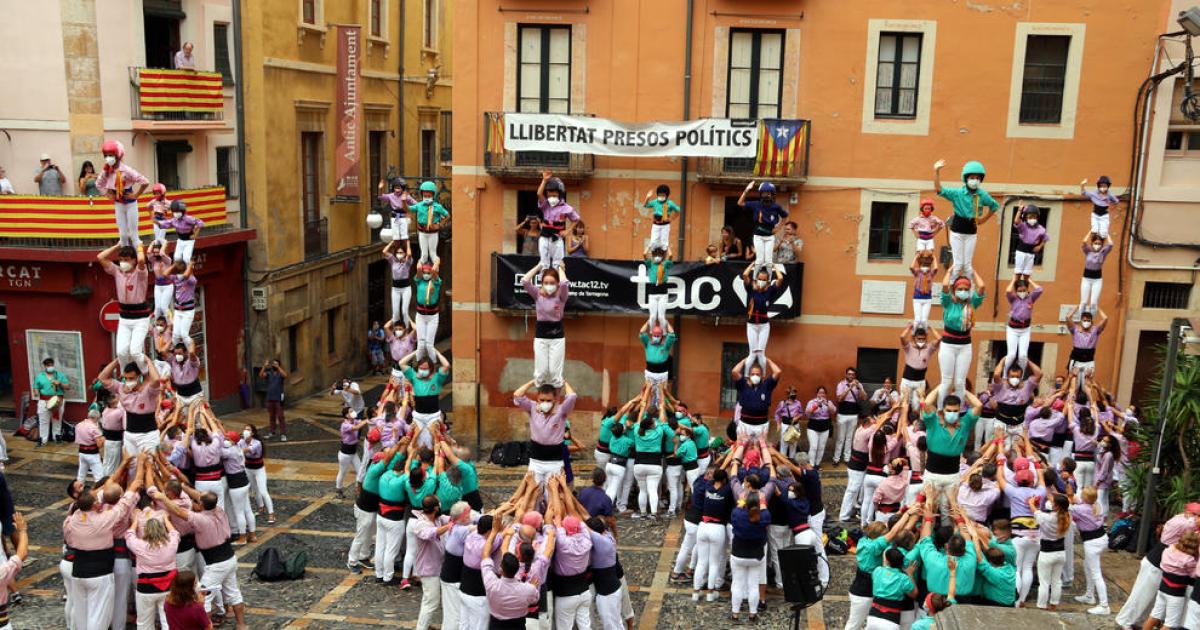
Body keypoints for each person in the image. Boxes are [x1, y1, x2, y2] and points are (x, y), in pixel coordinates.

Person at [153, 485, 249, 630]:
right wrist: (183, 486)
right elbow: (198, 495)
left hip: (216, 564)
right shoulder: (219, 510)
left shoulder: (200, 519)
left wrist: (163, 498)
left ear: (201, 504)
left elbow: (179, 511)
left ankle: (205, 626)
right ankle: (241, 625)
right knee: (233, 592)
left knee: (202, 596)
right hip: (230, 558)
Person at [64, 473, 140, 630]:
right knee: (98, 616)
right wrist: (133, 486)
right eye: (97, 501)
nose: (100, 502)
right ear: (93, 506)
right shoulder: (103, 520)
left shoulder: (72, 520)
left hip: (78, 572)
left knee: (81, 614)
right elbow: (123, 505)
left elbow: (69, 540)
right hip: (100, 574)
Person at [934, 159, 999, 277]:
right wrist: (937, 171)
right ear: (966, 178)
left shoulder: (982, 195)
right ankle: (952, 287)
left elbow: (994, 206)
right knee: (958, 264)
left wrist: (984, 219)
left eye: (978, 178)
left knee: (968, 265)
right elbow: (939, 190)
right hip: (957, 230)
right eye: (972, 177)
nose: (975, 180)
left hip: (971, 231)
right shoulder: (957, 193)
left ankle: (968, 289)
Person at [920, 388, 983, 501]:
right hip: (932, 475)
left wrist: (962, 388)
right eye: (948, 410)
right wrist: (944, 385)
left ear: (959, 411)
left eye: (955, 411)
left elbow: (978, 405)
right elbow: (927, 403)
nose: (952, 413)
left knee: (949, 512)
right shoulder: (933, 422)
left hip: (953, 476)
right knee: (930, 508)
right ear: (943, 410)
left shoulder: (965, 423)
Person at [97, 242, 151, 370]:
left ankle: (146, 373)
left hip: (140, 318)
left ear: (133, 260)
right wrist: (117, 245)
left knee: (135, 352)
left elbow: (142, 260)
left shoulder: (140, 274)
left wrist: (139, 247)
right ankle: (126, 376)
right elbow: (100, 257)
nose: (123, 262)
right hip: (124, 318)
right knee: (121, 352)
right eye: (120, 260)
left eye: (126, 260)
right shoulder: (117, 271)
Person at [938, 268, 986, 406]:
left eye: (966, 289)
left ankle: (957, 411)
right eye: (960, 288)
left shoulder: (972, 304)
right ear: (955, 290)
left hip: (965, 345)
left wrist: (972, 272)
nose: (963, 291)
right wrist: (950, 271)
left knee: (960, 382)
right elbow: (945, 286)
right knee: (947, 382)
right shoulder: (948, 303)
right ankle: (941, 410)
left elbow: (981, 286)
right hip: (948, 344)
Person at [513, 379, 576, 484]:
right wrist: (532, 382)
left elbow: (572, 397)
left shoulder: (561, 411)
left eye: (548, 400)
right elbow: (517, 395)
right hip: (535, 461)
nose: (545, 403)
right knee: (534, 493)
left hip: (555, 462)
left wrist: (564, 382)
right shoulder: (532, 407)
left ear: (555, 399)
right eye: (542, 400)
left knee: (552, 495)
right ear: (537, 398)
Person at [125, 511, 180, 630]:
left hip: (146, 588)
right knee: (168, 621)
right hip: (169, 587)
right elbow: (174, 532)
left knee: (144, 623)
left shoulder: (139, 545)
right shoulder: (171, 543)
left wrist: (135, 522)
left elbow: (129, 535)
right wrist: (166, 519)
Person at [522, 263, 569, 388]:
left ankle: (556, 403)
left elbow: (564, 284)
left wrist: (560, 268)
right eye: (546, 282)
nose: (549, 286)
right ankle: (540, 403)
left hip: (557, 337)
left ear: (557, 283)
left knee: (555, 373)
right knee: (540, 373)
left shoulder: (561, 296)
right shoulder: (537, 294)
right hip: (541, 336)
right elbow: (525, 281)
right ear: (542, 283)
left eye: (552, 283)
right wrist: (538, 267)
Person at [100, 358, 162, 453]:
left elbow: (156, 380)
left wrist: (148, 361)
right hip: (130, 435)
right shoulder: (121, 388)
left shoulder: (148, 390)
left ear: (139, 377)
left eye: (131, 378)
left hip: (148, 435)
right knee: (131, 465)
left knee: (148, 464)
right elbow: (102, 378)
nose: (128, 381)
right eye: (126, 378)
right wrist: (118, 359)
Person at [97, 140, 150, 246]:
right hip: (118, 204)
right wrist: (107, 194)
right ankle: (125, 259)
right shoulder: (106, 171)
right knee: (123, 235)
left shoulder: (126, 170)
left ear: (118, 155)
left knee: (134, 235)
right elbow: (98, 184)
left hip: (130, 204)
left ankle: (139, 260)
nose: (108, 158)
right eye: (106, 155)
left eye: (111, 155)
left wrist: (136, 195)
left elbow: (145, 182)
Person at [692, 467, 734, 602]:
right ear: (724, 479)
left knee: (701, 562)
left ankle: (695, 592)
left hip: (703, 526)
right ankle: (710, 592)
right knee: (714, 563)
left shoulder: (708, 486)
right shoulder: (727, 490)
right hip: (717, 528)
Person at [729, 490, 770, 623]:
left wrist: (741, 501)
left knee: (737, 584)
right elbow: (765, 512)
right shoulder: (764, 516)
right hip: (756, 556)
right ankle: (752, 614)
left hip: (738, 554)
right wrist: (762, 502)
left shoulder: (738, 514)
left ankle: (735, 614)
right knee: (753, 585)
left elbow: (736, 511)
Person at [1069, 486, 1111, 615]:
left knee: (1096, 574)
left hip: (1092, 542)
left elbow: (1067, 507)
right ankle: (1089, 595)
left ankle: (1104, 606)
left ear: (1084, 497)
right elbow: (1077, 501)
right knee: (1087, 565)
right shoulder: (1096, 504)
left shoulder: (1079, 509)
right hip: (1102, 538)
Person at [411, 495, 447, 630]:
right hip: (428, 569)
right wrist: (450, 526)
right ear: (436, 508)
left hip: (436, 566)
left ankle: (424, 625)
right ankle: (421, 627)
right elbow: (431, 533)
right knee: (431, 602)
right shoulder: (421, 524)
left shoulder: (437, 519)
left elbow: (451, 519)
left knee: (429, 600)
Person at [741, 262, 785, 371]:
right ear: (756, 279)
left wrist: (774, 266)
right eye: (760, 279)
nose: (762, 281)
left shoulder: (770, 291)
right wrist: (754, 264)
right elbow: (745, 275)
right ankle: (747, 376)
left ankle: (763, 376)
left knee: (761, 353)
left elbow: (780, 278)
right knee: (752, 352)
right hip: (751, 325)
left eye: (764, 279)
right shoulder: (751, 289)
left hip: (764, 325)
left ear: (768, 281)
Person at [738, 180, 788, 270]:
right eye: (764, 193)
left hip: (770, 235)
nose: (766, 195)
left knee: (769, 260)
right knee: (759, 259)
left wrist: (779, 227)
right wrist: (747, 190)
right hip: (758, 236)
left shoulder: (776, 207)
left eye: (769, 193)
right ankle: (756, 277)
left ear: (772, 194)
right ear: (761, 194)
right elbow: (740, 203)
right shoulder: (756, 204)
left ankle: (768, 279)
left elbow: (785, 216)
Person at [536, 172, 580, 273]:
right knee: (544, 263)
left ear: (560, 194)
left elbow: (576, 219)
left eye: (554, 195)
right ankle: (544, 283)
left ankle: (556, 283)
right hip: (544, 236)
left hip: (557, 238)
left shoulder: (566, 208)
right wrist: (544, 180)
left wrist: (567, 231)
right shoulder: (545, 205)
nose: (552, 197)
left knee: (557, 263)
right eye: (549, 195)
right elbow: (539, 193)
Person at [632, 405, 668, 520]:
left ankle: (643, 514)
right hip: (654, 464)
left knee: (642, 490)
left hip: (639, 464)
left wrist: (643, 407)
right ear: (651, 426)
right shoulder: (658, 432)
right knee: (653, 490)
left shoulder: (637, 430)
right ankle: (653, 513)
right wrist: (661, 407)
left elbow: (639, 420)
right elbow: (661, 421)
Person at [731, 356, 782, 438]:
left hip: (761, 426)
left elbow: (778, 372)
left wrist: (768, 360)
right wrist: (745, 360)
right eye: (753, 374)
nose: (755, 376)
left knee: (760, 449)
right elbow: (734, 371)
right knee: (742, 448)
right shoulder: (743, 385)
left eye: (757, 374)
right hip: (745, 426)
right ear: (749, 375)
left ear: (762, 376)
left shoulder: (767, 385)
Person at [1004, 275, 1043, 371]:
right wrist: (1014, 280)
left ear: (1027, 290)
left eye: (1024, 290)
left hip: (1025, 329)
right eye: (1020, 291)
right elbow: (1008, 291)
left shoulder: (1031, 298)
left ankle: (1020, 376)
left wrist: (1028, 280)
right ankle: (1005, 375)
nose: (1022, 292)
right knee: (1012, 354)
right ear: (1016, 291)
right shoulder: (1013, 299)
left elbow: (1039, 289)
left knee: (1023, 355)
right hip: (1012, 329)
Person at [832, 367, 867, 465]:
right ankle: (836, 459)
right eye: (849, 374)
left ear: (855, 375)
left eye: (852, 374)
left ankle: (847, 458)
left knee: (849, 438)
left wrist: (859, 388)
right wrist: (849, 387)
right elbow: (839, 399)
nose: (851, 376)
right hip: (842, 415)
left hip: (853, 414)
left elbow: (864, 398)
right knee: (840, 438)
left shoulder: (858, 384)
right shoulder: (841, 384)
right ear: (846, 374)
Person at [408, 181, 449, 264]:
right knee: (424, 255)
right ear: (422, 195)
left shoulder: (437, 206)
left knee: (433, 254)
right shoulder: (419, 205)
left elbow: (448, 216)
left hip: (433, 233)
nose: (426, 197)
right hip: (422, 232)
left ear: (433, 196)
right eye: (425, 196)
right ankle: (420, 273)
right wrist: (402, 200)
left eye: (429, 196)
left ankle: (435, 271)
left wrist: (440, 225)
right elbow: (408, 209)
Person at [899, 324, 939, 408]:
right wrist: (909, 328)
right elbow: (902, 337)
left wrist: (930, 327)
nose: (921, 340)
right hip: (907, 380)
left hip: (920, 382)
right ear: (914, 338)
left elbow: (939, 338)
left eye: (923, 339)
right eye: (919, 339)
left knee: (917, 406)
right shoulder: (908, 347)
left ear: (926, 339)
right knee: (904, 404)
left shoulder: (929, 348)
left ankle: (916, 420)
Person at [33, 356, 70, 446]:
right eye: (48, 365)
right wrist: (36, 393)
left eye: (51, 364)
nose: (50, 366)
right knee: (43, 421)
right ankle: (42, 440)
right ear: (44, 366)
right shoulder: (39, 376)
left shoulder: (60, 375)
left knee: (57, 420)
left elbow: (68, 387)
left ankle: (57, 437)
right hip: (44, 400)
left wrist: (60, 383)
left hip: (58, 400)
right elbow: (35, 388)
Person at [161, 260, 197, 349]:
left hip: (188, 311)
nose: (179, 275)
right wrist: (174, 266)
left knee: (184, 334)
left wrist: (190, 265)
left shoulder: (191, 280)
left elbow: (185, 275)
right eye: (178, 272)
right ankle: (176, 352)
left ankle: (191, 349)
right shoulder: (175, 278)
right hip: (178, 310)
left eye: (180, 272)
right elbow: (165, 274)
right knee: (175, 335)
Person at [639, 321, 676, 404]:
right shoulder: (647, 343)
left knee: (661, 397)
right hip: (649, 373)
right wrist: (648, 322)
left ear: (661, 336)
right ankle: (649, 412)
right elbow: (641, 332)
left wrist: (666, 323)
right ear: (652, 336)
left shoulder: (665, 346)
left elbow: (672, 334)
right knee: (649, 395)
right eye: (654, 335)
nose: (656, 337)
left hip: (662, 374)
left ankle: (660, 412)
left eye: (658, 335)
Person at [413, 259, 443, 358]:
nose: (426, 274)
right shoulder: (419, 281)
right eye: (424, 272)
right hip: (420, 315)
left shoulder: (436, 282)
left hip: (432, 316)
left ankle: (433, 365)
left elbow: (434, 271)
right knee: (421, 344)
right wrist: (421, 259)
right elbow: (418, 268)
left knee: (429, 344)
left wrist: (437, 262)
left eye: (428, 272)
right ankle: (418, 364)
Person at [1064, 306, 1107, 376]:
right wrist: (1077, 307)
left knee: (1088, 379)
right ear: (1081, 321)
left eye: (1088, 320)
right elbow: (1067, 317)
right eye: (1084, 320)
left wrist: (1097, 307)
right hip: (1076, 356)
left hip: (1089, 357)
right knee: (1071, 377)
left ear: (1091, 321)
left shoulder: (1095, 330)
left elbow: (1105, 318)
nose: (1086, 322)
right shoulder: (1075, 329)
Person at [378, 177, 416, 250]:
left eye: (399, 188)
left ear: (403, 188)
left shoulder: (406, 196)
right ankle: (397, 251)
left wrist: (411, 210)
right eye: (396, 188)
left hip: (403, 217)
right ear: (393, 188)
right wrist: (380, 189)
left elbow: (416, 204)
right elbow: (381, 197)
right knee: (396, 237)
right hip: (395, 217)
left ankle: (407, 250)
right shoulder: (391, 196)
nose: (397, 190)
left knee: (404, 236)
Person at [1012, 205, 1049, 279]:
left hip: (1031, 253)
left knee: (1027, 275)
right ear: (1025, 217)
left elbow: (1046, 238)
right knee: (1018, 274)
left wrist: (1040, 246)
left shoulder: (1040, 229)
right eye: (1030, 217)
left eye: (1034, 217)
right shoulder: (1023, 226)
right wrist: (1020, 210)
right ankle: (1016, 289)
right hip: (1021, 252)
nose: (1033, 219)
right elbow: (1016, 221)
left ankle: (1026, 289)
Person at [1079, 232, 1113, 313]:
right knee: (1084, 302)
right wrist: (1090, 232)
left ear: (1101, 245)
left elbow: (1111, 244)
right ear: (1092, 243)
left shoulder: (1103, 252)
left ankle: (1091, 319)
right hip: (1086, 278)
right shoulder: (1088, 251)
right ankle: (1081, 318)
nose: (1097, 245)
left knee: (1093, 303)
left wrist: (1107, 234)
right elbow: (1084, 242)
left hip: (1097, 279)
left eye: (1099, 243)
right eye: (1096, 243)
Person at [383, 239, 414, 326]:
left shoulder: (408, 262)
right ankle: (396, 329)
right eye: (398, 252)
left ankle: (406, 329)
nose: (399, 254)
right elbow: (384, 251)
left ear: (404, 254)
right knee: (395, 312)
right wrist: (392, 243)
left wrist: (407, 243)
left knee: (404, 311)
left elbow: (409, 254)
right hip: (395, 289)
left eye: (401, 252)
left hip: (406, 288)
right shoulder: (393, 260)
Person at [804, 386, 836, 465]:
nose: (821, 394)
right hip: (813, 427)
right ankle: (811, 464)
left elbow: (833, 412)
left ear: (825, 394)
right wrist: (816, 405)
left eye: (823, 393)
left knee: (821, 448)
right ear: (817, 394)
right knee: (814, 446)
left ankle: (817, 464)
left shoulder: (829, 402)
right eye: (820, 393)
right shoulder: (812, 402)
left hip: (825, 427)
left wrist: (827, 404)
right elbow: (807, 413)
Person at [643, 245, 673, 329]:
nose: (657, 257)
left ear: (662, 256)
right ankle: (652, 332)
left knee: (661, 317)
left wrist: (667, 247)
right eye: (655, 255)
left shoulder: (665, 264)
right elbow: (644, 254)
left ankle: (663, 332)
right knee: (652, 316)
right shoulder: (650, 265)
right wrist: (649, 247)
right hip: (652, 293)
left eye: (659, 255)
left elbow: (670, 256)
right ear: (652, 256)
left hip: (663, 293)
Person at [259, 359, 288, 441]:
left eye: (276, 364)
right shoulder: (269, 373)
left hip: (278, 398)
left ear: (279, 365)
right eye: (273, 364)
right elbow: (261, 375)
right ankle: (272, 432)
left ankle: (283, 434)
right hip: (270, 398)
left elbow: (285, 375)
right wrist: (264, 366)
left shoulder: (280, 373)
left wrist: (278, 367)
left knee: (281, 416)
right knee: (272, 416)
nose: (274, 365)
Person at [74, 409, 104, 482]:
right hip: (92, 454)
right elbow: (99, 445)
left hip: (81, 452)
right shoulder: (94, 428)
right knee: (99, 476)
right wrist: (104, 439)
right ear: (97, 418)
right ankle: (99, 491)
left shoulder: (79, 425)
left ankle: (78, 489)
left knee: (81, 474)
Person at [910, 250, 938, 328]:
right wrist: (916, 257)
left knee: (924, 320)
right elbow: (911, 267)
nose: (925, 266)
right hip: (917, 297)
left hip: (927, 298)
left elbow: (936, 268)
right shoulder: (917, 272)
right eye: (922, 264)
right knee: (917, 319)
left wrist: (934, 257)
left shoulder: (930, 273)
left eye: (927, 264)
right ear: (920, 265)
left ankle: (925, 333)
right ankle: (913, 333)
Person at [774, 387, 804, 459]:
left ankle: (792, 461)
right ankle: (783, 461)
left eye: (795, 393)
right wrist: (778, 424)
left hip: (795, 425)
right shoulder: (782, 403)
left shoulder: (798, 403)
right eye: (792, 393)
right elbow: (777, 414)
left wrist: (797, 417)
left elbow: (801, 413)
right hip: (785, 425)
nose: (794, 394)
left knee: (793, 444)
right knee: (784, 444)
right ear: (788, 394)